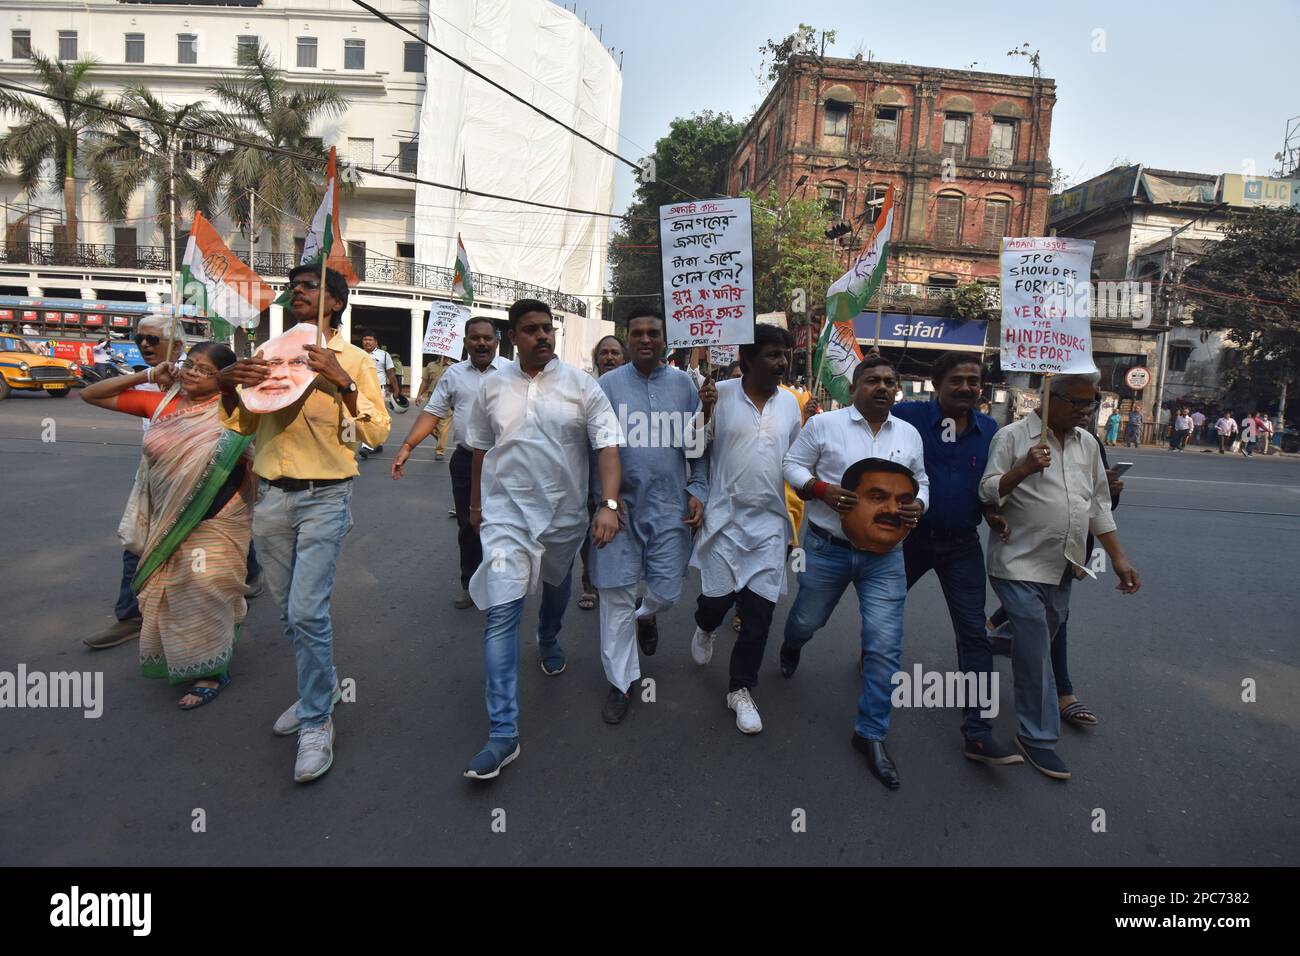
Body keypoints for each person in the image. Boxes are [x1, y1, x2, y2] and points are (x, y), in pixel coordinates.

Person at [217, 263, 391, 784]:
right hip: (271, 499)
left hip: (326, 498)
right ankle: (322, 685)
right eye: (295, 287)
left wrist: (342, 385)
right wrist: (230, 385)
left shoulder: (356, 361)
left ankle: (317, 721)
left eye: (311, 287)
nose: (299, 292)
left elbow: (377, 433)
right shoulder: (270, 354)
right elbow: (244, 422)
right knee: (291, 616)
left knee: (308, 611)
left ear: (335, 302)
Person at [462, 299, 623, 779]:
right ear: (514, 335)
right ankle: (503, 733)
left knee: (557, 587)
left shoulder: (582, 386)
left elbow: (608, 447)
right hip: (506, 517)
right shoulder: (491, 387)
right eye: (531, 330)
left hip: (564, 518)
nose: (543, 337)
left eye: (547, 329)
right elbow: (479, 450)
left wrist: (608, 506)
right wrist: (474, 506)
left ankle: (550, 634)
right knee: (501, 613)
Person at [980, 372, 1140, 780]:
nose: (1087, 413)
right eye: (1080, 404)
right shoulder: (1013, 437)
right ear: (1052, 398)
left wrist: (1119, 558)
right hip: (1016, 561)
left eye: (1091, 405)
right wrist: (1023, 469)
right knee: (1035, 642)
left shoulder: (1088, 444)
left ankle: (991, 641)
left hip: (1064, 564)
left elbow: (1098, 506)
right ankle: (1037, 736)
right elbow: (986, 492)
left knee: (1038, 638)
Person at [780, 355, 928, 789]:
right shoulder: (824, 426)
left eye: (890, 382)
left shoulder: (910, 435)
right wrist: (821, 490)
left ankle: (871, 733)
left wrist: (920, 505)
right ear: (854, 388)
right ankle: (792, 645)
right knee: (807, 620)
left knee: (883, 644)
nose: (883, 387)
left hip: (887, 555)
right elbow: (792, 465)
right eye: (873, 380)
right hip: (828, 548)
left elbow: (922, 481)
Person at [80, 343, 254, 708]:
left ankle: (212, 668)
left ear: (221, 377)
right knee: (173, 591)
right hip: (166, 515)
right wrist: (147, 375)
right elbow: (89, 393)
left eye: (205, 369)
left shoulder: (231, 409)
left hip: (219, 515)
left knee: (208, 588)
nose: (192, 372)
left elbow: (248, 425)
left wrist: (230, 388)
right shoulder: (162, 405)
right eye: (189, 364)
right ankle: (186, 653)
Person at [892, 352, 1021, 766]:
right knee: (885, 614)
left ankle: (978, 732)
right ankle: (873, 653)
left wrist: (991, 512)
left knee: (973, 634)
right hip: (910, 540)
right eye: (958, 380)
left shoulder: (990, 430)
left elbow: (985, 486)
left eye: (974, 380)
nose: (967, 387)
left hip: (962, 544)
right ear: (936, 383)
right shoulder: (905, 417)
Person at [588, 310, 706, 723]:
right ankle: (621, 682)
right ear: (626, 337)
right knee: (614, 595)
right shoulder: (605, 386)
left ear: (664, 340)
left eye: (652, 333)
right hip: (618, 511)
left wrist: (698, 490)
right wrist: (604, 503)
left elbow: (699, 449)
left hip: (669, 508)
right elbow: (594, 450)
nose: (644, 339)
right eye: (636, 332)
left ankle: (648, 613)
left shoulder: (685, 386)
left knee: (668, 591)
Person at [689, 324, 802, 736]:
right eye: (773, 354)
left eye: (785, 355)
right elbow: (692, 448)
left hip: (770, 527)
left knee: (758, 617)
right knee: (715, 604)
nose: (782, 362)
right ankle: (704, 626)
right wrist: (703, 412)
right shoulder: (719, 395)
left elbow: (796, 459)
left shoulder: (791, 404)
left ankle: (740, 690)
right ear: (748, 359)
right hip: (724, 523)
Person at [83, 316, 185, 650]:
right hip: (153, 479)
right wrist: (147, 375)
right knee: (137, 545)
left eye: (153, 340)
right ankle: (130, 616)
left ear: (178, 346)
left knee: (206, 550)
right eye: (139, 337)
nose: (144, 345)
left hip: (198, 481)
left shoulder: (196, 381)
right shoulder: (148, 385)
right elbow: (90, 394)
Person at [391, 317, 505, 609]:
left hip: (507, 463)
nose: (482, 343)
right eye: (475, 338)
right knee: (469, 526)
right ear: (465, 342)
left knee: (505, 525)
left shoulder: (512, 371)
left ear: (497, 341)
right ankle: (470, 584)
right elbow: (433, 412)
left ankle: (501, 585)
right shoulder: (453, 374)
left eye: (487, 338)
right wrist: (407, 446)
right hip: (466, 462)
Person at [579, 334, 629, 610]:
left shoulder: (633, 390)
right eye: (604, 353)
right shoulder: (585, 389)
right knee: (591, 530)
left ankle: (621, 581)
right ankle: (590, 584)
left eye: (615, 353)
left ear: (624, 358)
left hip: (627, 476)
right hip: (590, 475)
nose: (609, 357)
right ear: (597, 358)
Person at [357, 330, 399, 459]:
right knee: (358, 416)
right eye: (365, 339)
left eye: (370, 340)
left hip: (377, 390)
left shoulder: (384, 355)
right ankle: (377, 443)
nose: (367, 342)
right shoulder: (357, 354)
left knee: (371, 416)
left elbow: (391, 373)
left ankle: (367, 446)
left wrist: (396, 390)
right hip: (360, 390)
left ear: (376, 342)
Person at [414, 355, 456, 461]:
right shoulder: (431, 365)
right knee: (428, 426)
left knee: (443, 426)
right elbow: (425, 382)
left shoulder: (455, 367)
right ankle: (440, 438)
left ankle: (440, 450)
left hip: (447, 399)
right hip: (432, 399)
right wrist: (419, 395)